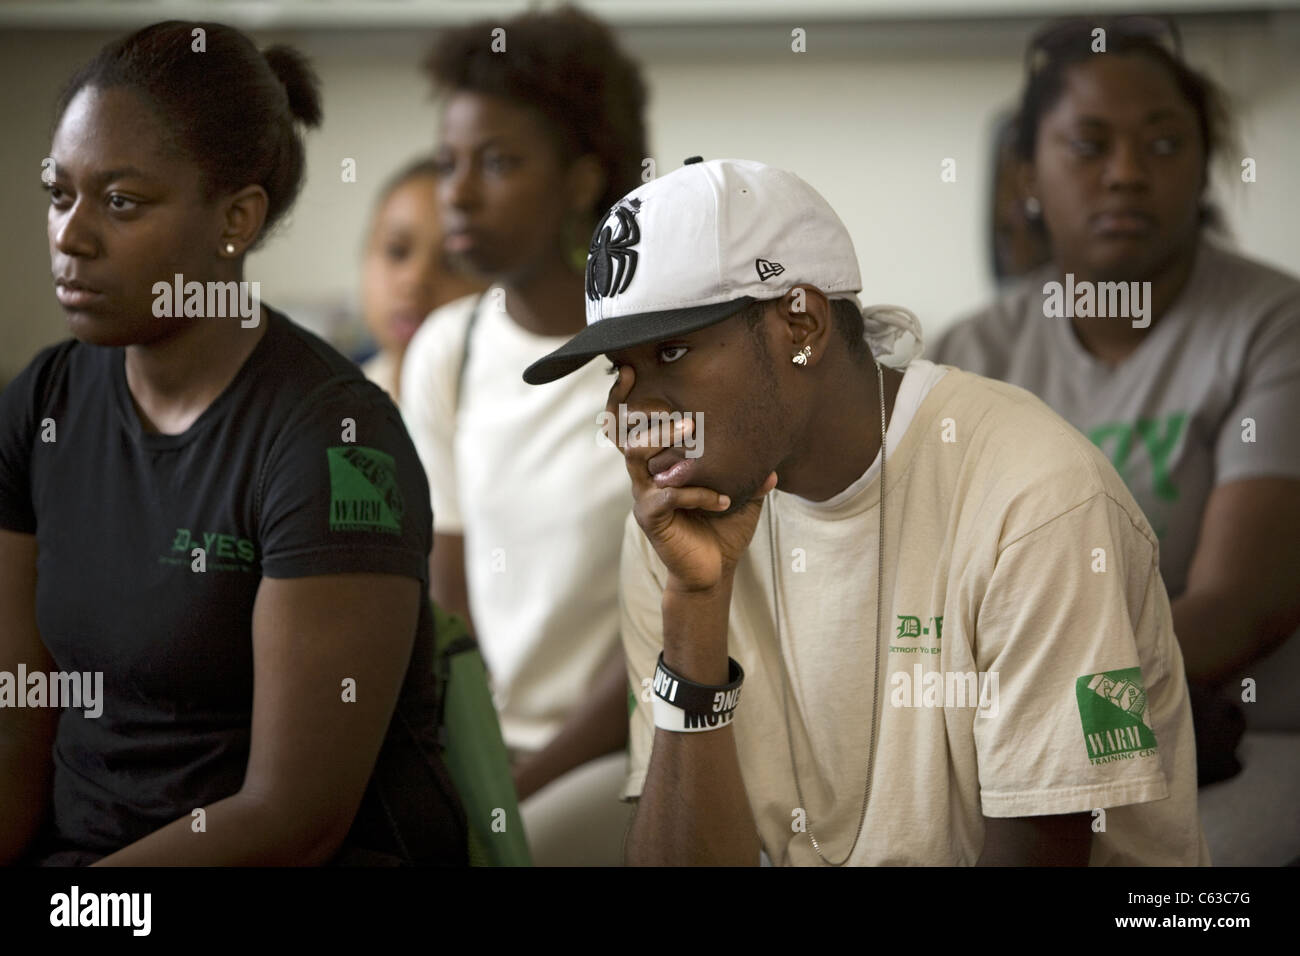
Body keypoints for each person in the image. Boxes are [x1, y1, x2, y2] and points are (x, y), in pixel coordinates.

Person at [522, 157, 1208, 866]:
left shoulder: (1034, 495)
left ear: (802, 325)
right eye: (620, 372)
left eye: (671, 352)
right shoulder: (675, 525)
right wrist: (696, 611)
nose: (635, 411)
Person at [0, 20, 465, 866]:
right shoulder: (42, 402)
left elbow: (293, 819)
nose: (71, 235)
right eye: (58, 193)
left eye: (121, 201)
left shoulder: (337, 442)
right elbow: (18, 719)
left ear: (236, 219)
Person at [931, 16, 1300, 864]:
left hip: (1235, 744)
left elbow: (1241, 607)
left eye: (1165, 145)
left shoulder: (1274, 328)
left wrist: (1058, 722)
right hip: (1012, 746)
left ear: (1204, 164)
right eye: (1089, 146)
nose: (1128, 175)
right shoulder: (968, 358)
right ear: (1027, 174)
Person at [400, 5, 647, 865]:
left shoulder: (658, 357)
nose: (457, 194)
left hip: (624, 750)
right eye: (448, 163)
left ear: (582, 181)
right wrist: (469, 761)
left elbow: (670, 640)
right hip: (481, 741)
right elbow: (446, 604)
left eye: (498, 163)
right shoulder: (450, 348)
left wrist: (516, 786)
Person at [358, 157, 483, 406]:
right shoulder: (337, 406)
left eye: (451, 262)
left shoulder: (507, 409)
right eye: (397, 251)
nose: (416, 281)